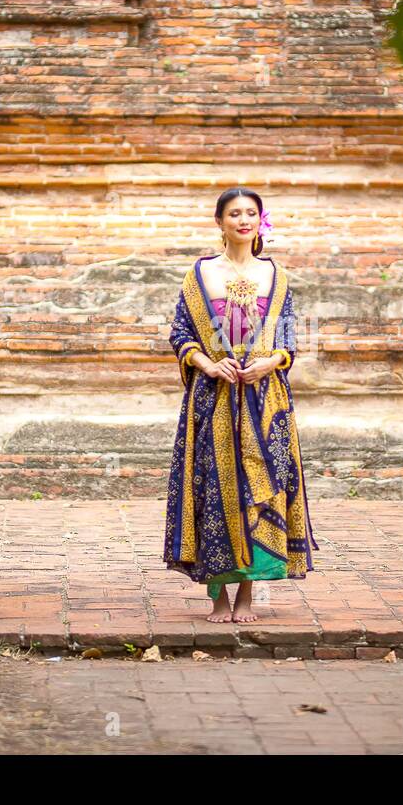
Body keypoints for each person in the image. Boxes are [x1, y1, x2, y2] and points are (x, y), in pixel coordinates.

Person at [163, 187, 318, 623]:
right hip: (212, 399)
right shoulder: (201, 275)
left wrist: (269, 362)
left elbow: (288, 340)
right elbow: (180, 335)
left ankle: (247, 595)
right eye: (234, 213)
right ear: (220, 222)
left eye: (251, 213)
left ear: (260, 221)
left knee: (258, 489)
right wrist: (209, 366)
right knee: (214, 489)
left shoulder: (277, 275)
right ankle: (218, 597)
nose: (243, 220)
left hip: (264, 400)